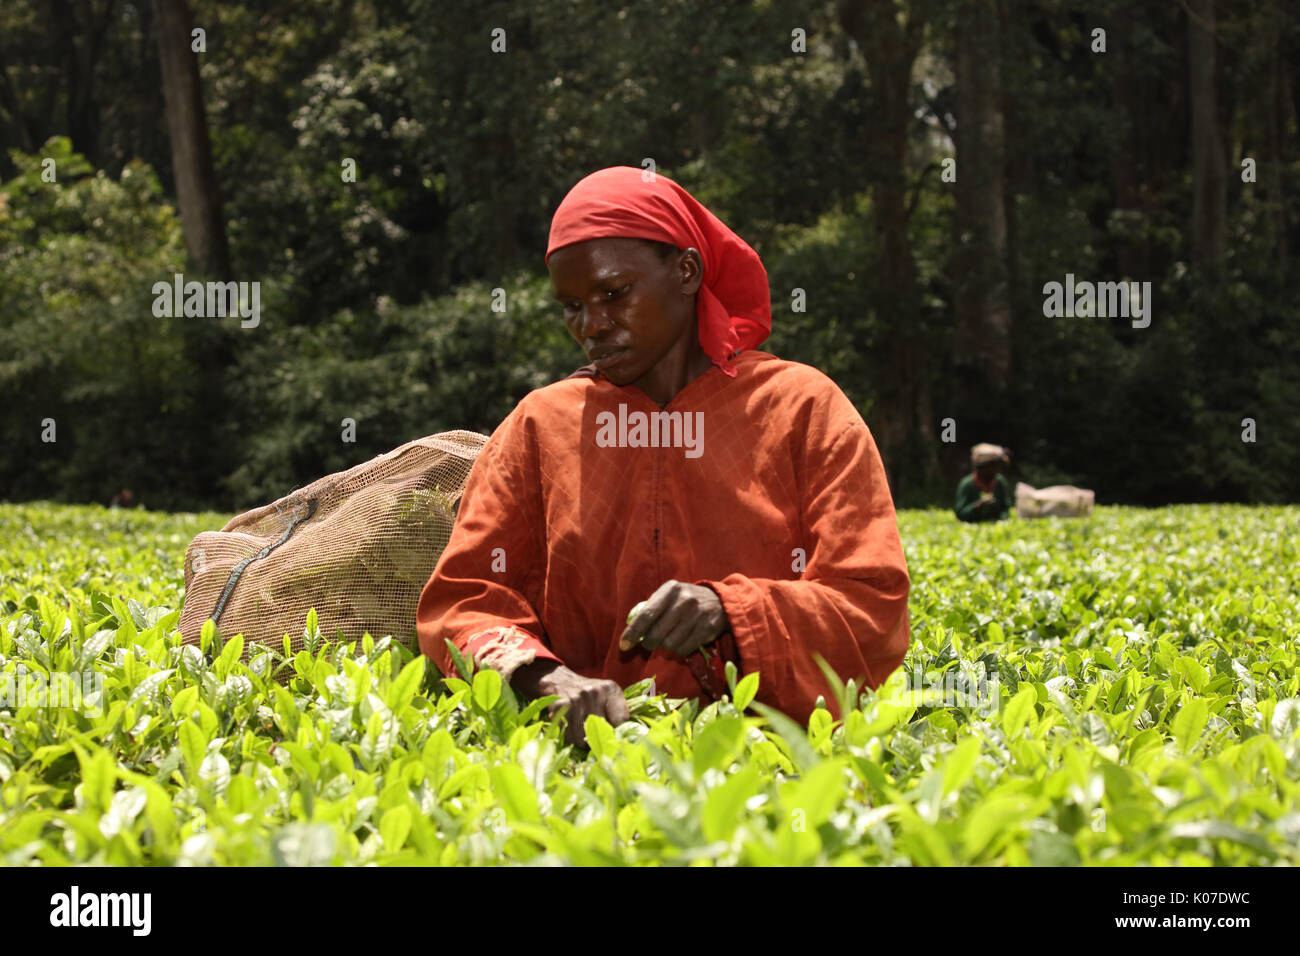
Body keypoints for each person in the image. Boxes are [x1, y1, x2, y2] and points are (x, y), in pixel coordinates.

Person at [416, 166, 910, 744]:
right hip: (588, 772)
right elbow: (465, 598)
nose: (592, 326)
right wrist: (547, 680)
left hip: (768, 771)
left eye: (614, 294)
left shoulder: (802, 408)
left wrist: (731, 609)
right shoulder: (541, 425)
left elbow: (871, 604)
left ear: (686, 271)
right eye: (571, 306)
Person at [954, 444, 1012, 522]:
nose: (997, 469)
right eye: (993, 465)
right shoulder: (967, 484)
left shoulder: (999, 482)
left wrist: (1001, 519)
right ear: (983, 467)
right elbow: (960, 514)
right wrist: (978, 506)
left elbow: (1005, 509)